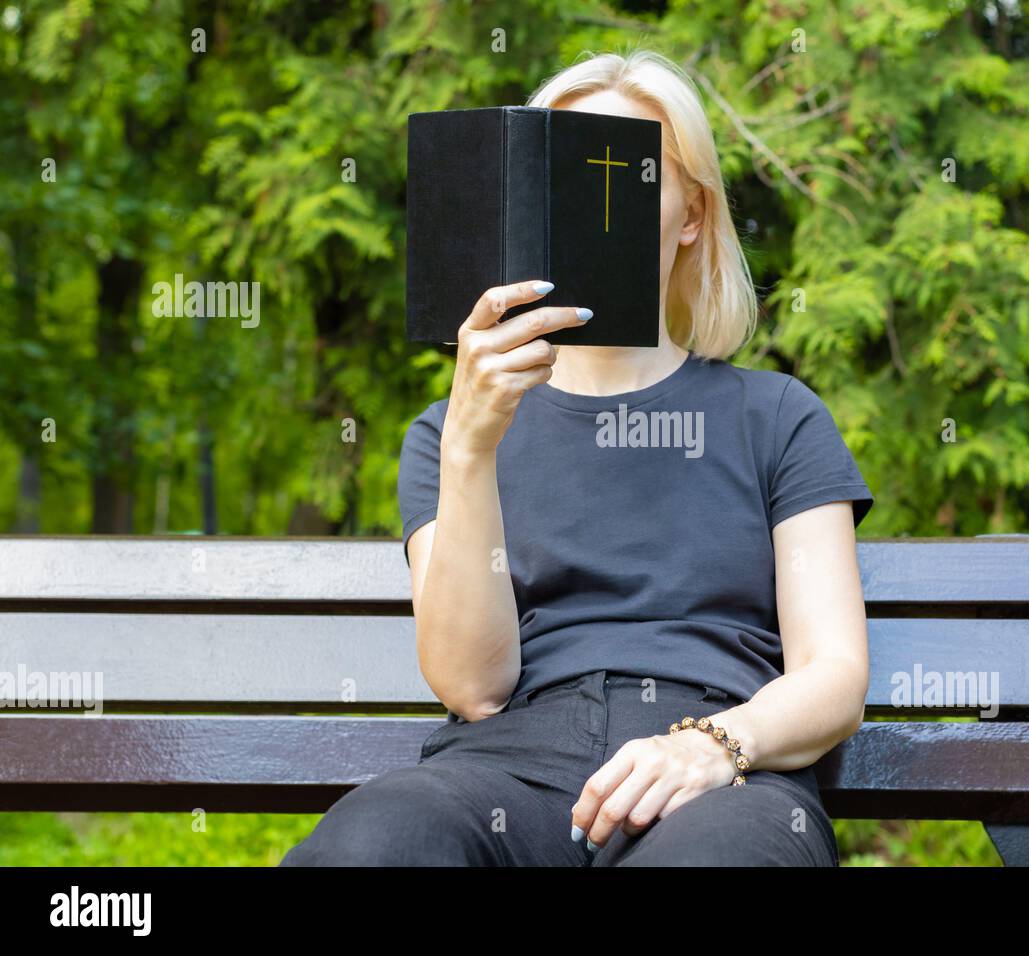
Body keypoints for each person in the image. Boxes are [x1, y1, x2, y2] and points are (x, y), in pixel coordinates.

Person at [281, 48, 873, 867]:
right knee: (378, 839)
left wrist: (714, 745)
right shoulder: (449, 432)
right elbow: (472, 687)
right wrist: (471, 444)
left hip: (716, 773)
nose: (596, 207)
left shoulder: (776, 417)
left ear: (691, 215)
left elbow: (835, 674)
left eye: (629, 176)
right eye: (564, 180)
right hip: (509, 769)